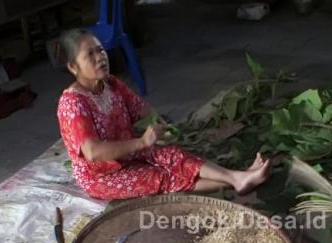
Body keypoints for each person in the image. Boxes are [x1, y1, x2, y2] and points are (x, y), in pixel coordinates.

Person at [56, 29, 271, 200]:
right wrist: (142, 142)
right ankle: (240, 178)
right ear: (73, 67)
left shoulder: (111, 84)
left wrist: (160, 126)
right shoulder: (73, 103)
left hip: (128, 152)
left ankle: (239, 177)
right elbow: (93, 152)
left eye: (100, 50)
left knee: (172, 155)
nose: (100, 57)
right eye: (90, 55)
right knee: (161, 178)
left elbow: (143, 110)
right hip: (102, 175)